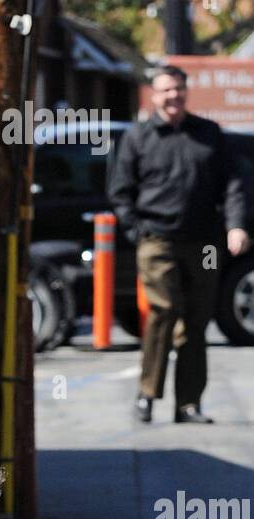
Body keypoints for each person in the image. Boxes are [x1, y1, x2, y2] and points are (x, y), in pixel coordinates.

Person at [108, 64, 250, 424]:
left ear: (186, 92)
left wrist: (235, 227)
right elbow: (120, 192)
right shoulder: (138, 137)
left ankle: (188, 404)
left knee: (198, 319)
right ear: (154, 95)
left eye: (179, 89)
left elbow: (233, 185)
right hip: (158, 241)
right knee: (165, 309)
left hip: (204, 245)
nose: (173, 96)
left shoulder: (209, 134)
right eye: (166, 90)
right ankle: (147, 393)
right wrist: (136, 229)